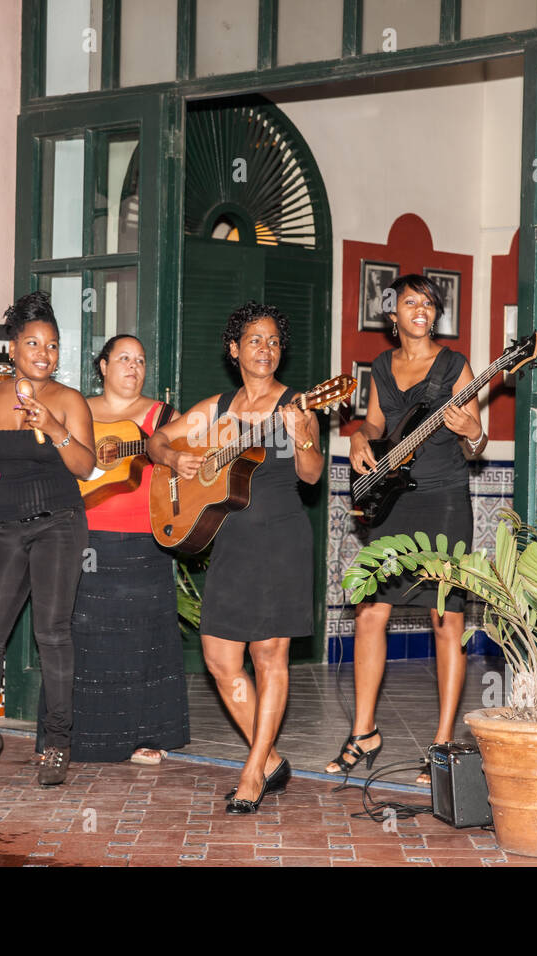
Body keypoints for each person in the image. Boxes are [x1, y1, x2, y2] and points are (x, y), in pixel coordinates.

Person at [148, 302, 323, 813]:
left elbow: (311, 474)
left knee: (270, 656)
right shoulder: (218, 408)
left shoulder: (297, 405)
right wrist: (177, 456)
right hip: (230, 543)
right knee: (221, 660)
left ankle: (252, 771)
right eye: (254, 340)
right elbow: (158, 440)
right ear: (234, 350)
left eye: (272, 341)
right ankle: (269, 757)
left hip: (281, 541)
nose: (264, 349)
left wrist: (303, 439)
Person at [328, 273, 486, 786]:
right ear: (392, 315)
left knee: (446, 619)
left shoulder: (455, 366)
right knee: (370, 612)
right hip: (392, 502)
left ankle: (441, 744)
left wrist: (472, 432)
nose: (421, 309)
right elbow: (377, 424)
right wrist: (358, 435)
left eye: (429, 303)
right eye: (410, 302)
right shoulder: (381, 366)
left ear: (436, 314)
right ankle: (364, 732)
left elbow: (474, 445)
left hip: (443, 503)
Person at [0, 291, 96, 786]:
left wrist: (55, 429)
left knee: (52, 634)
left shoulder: (69, 400)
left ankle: (57, 744)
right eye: (33, 343)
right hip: (6, 525)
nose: (44, 353)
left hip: (59, 522)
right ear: (12, 348)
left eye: (52, 345)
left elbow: (84, 464)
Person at [57, 334, 189, 765]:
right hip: (84, 534)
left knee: (145, 641)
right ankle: (76, 734)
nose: (134, 367)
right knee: (86, 639)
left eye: (141, 360)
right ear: (102, 365)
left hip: (146, 537)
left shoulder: (163, 415)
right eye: (124, 359)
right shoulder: (76, 409)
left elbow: (192, 469)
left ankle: (144, 734)